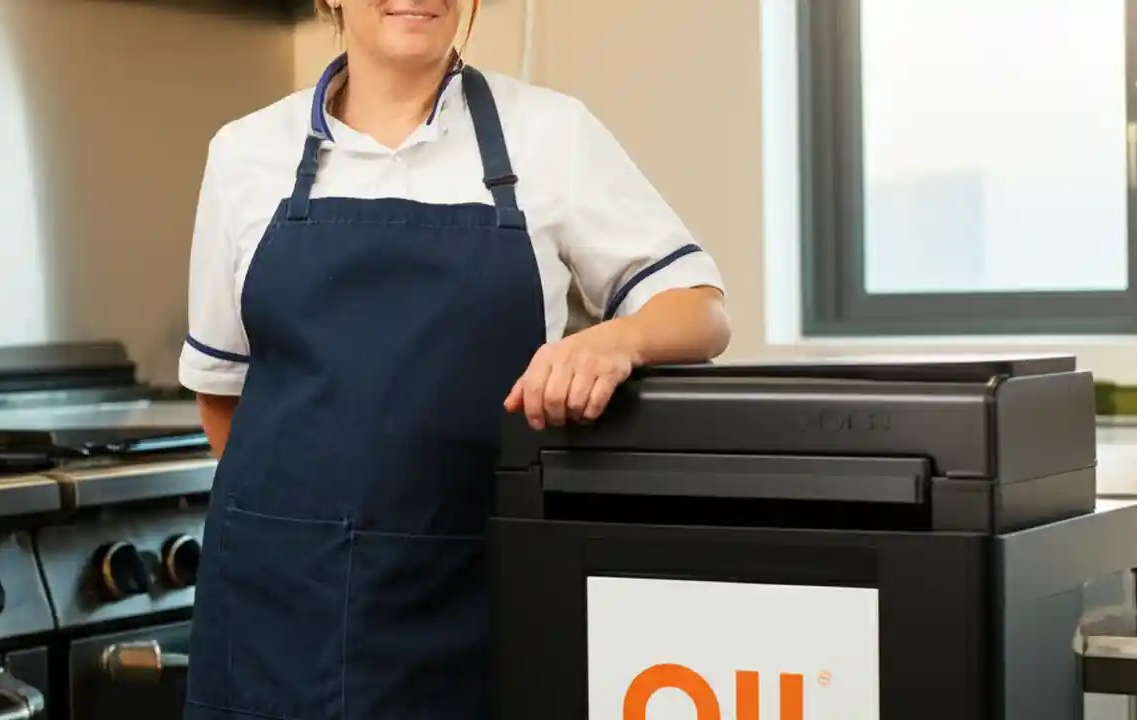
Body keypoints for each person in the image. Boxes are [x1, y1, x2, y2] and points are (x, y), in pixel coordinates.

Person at [177, 1, 730, 718]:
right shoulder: (245, 153)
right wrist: (306, 531)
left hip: (476, 599)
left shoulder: (550, 134)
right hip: (280, 617)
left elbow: (700, 311)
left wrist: (613, 340)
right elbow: (222, 392)